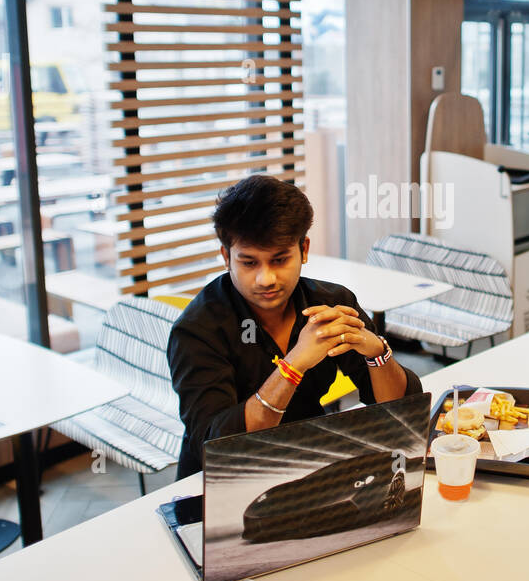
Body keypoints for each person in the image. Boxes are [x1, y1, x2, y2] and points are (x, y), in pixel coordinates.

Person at [167, 175, 422, 478]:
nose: (266, 279)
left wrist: (376, 351)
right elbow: (218, 447)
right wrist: (294, 364)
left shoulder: (331, 303)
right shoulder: (199, 330)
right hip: (219, 485)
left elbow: (402, 413)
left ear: (304, 249)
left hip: (308, 467)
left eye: (280, 260)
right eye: (249, 263)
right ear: (227, 257)